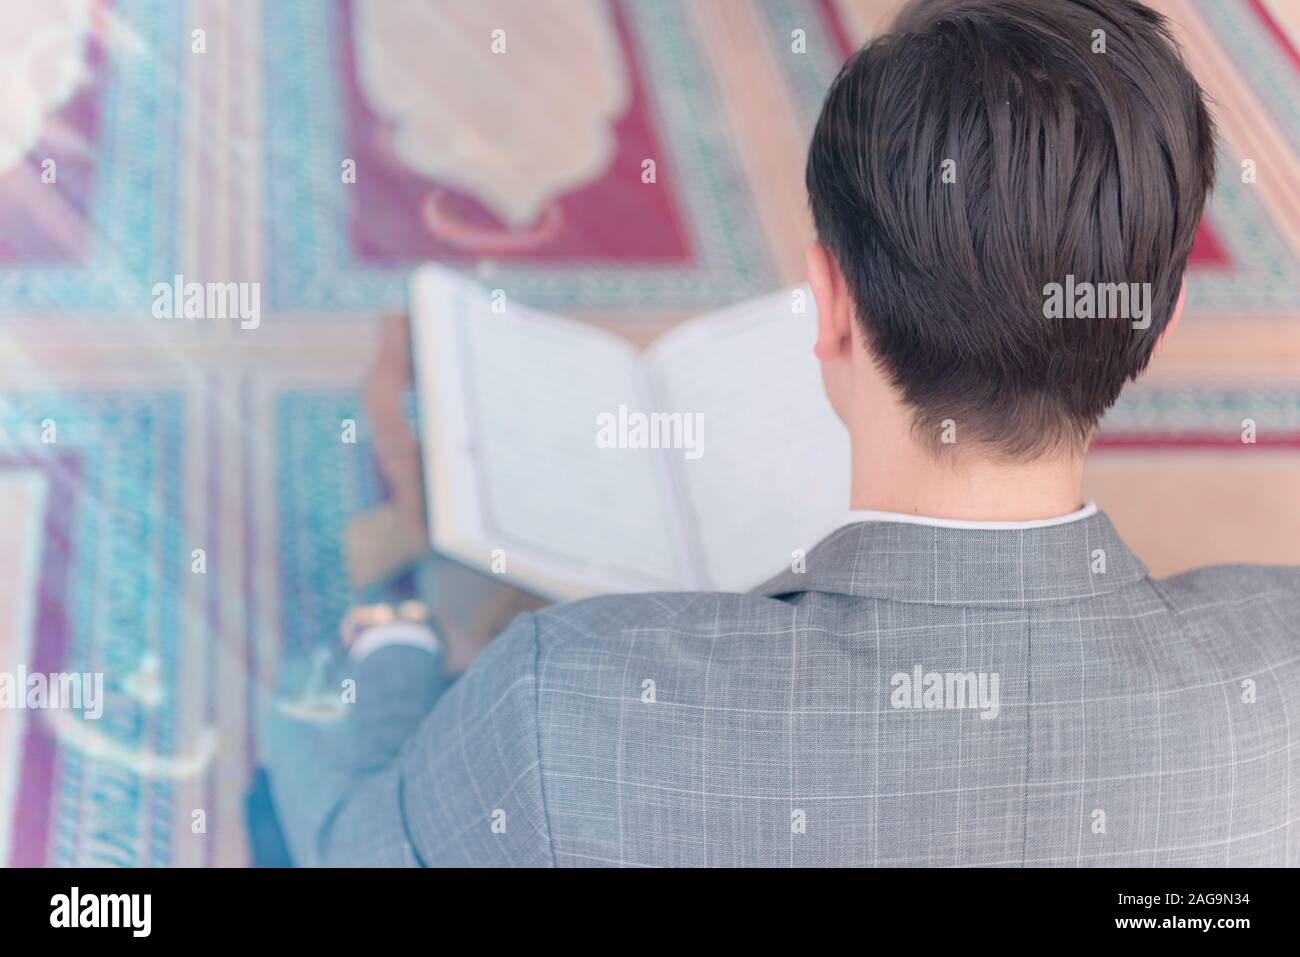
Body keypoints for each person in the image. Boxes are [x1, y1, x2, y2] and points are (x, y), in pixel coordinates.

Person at [269, 0, 1299, 867]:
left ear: (831, 302)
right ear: (1156, 326)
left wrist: (394, 643)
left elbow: (350, 838)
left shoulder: (562, 701)